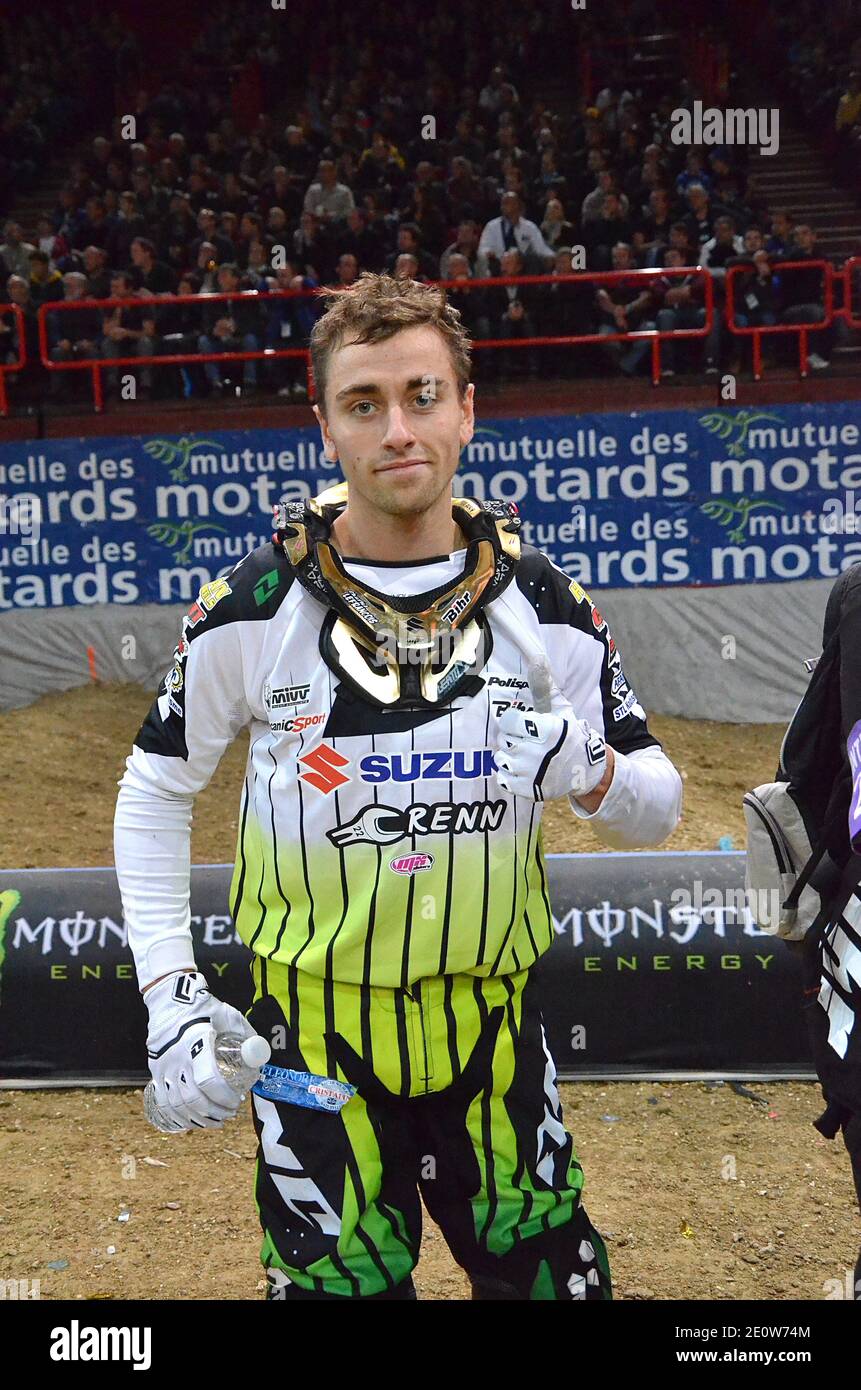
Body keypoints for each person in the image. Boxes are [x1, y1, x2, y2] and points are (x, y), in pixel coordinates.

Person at [113, 271, 682, 1302]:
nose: (398, 429)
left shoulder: (545, 603)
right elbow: (153, 789)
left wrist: (586, 770)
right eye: (364, 404)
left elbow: (661, 800)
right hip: (312, 1044)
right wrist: (169, 1001)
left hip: (496, 1031)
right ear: (325, 425)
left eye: (423, 395)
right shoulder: (251, 606)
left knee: (553, 1282)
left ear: (468, 406)